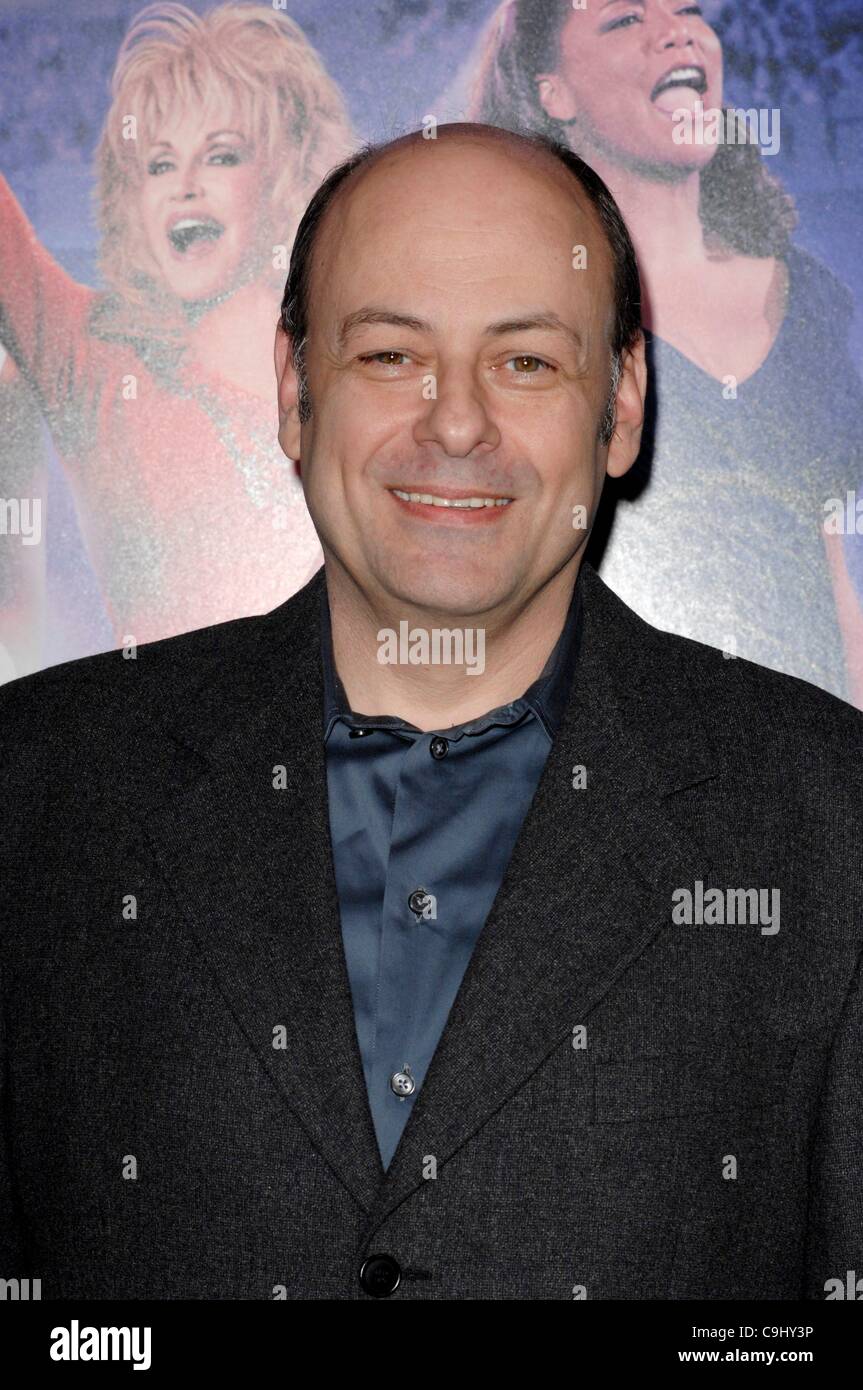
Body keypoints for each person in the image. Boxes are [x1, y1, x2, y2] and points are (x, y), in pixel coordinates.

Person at [1, 122, 861, 1301]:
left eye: (523, 363)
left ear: (620, 405)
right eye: (390, 356)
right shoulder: (34, 789)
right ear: (295, 395)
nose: (453, 423)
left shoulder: (828, 822)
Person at [466, 0, 863, 704]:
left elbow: (830, 574)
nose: (676, 28)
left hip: (800, 772)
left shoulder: (817, 300)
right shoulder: (515, 324)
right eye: (625, 20)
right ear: (552, 90)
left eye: (687, 9)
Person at [0, 2, 357, 668]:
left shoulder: (362, 363)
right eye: (159, 166)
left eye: (220, 156)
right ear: (129, 196)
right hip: (163, 754)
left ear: (284, 172)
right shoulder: (94, 355)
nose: (185, 187)